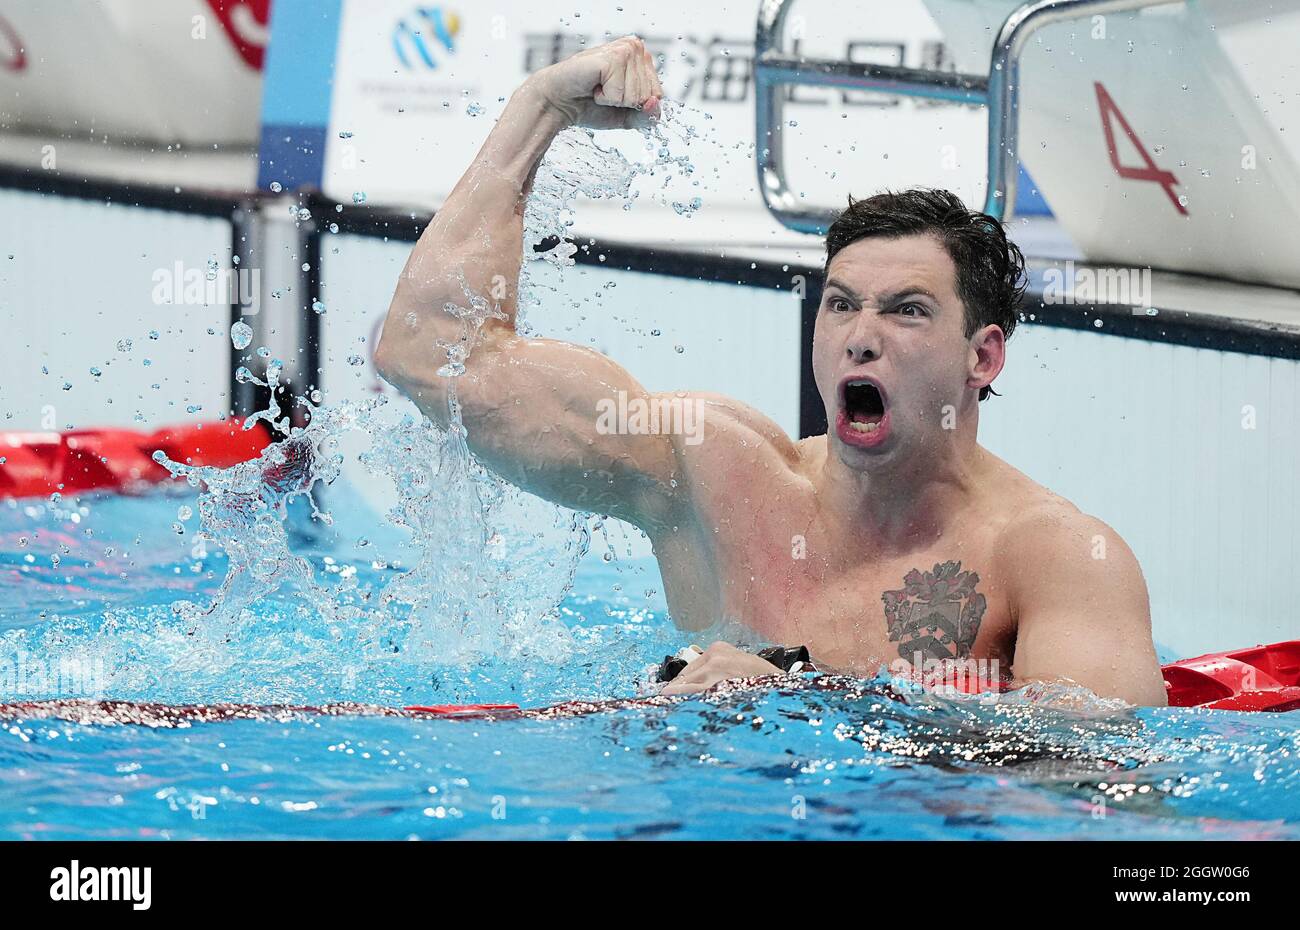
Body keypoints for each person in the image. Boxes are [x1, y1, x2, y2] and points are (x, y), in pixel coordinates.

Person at [375, 36, 1168, 706]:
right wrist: (538, 111)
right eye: (841, 306)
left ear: (982, 356)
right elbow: (430, 356)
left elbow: (1093, 773)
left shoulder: (1057, 558)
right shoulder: (706, 472)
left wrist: (798, 691)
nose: (861, 338)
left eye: (908, 311)